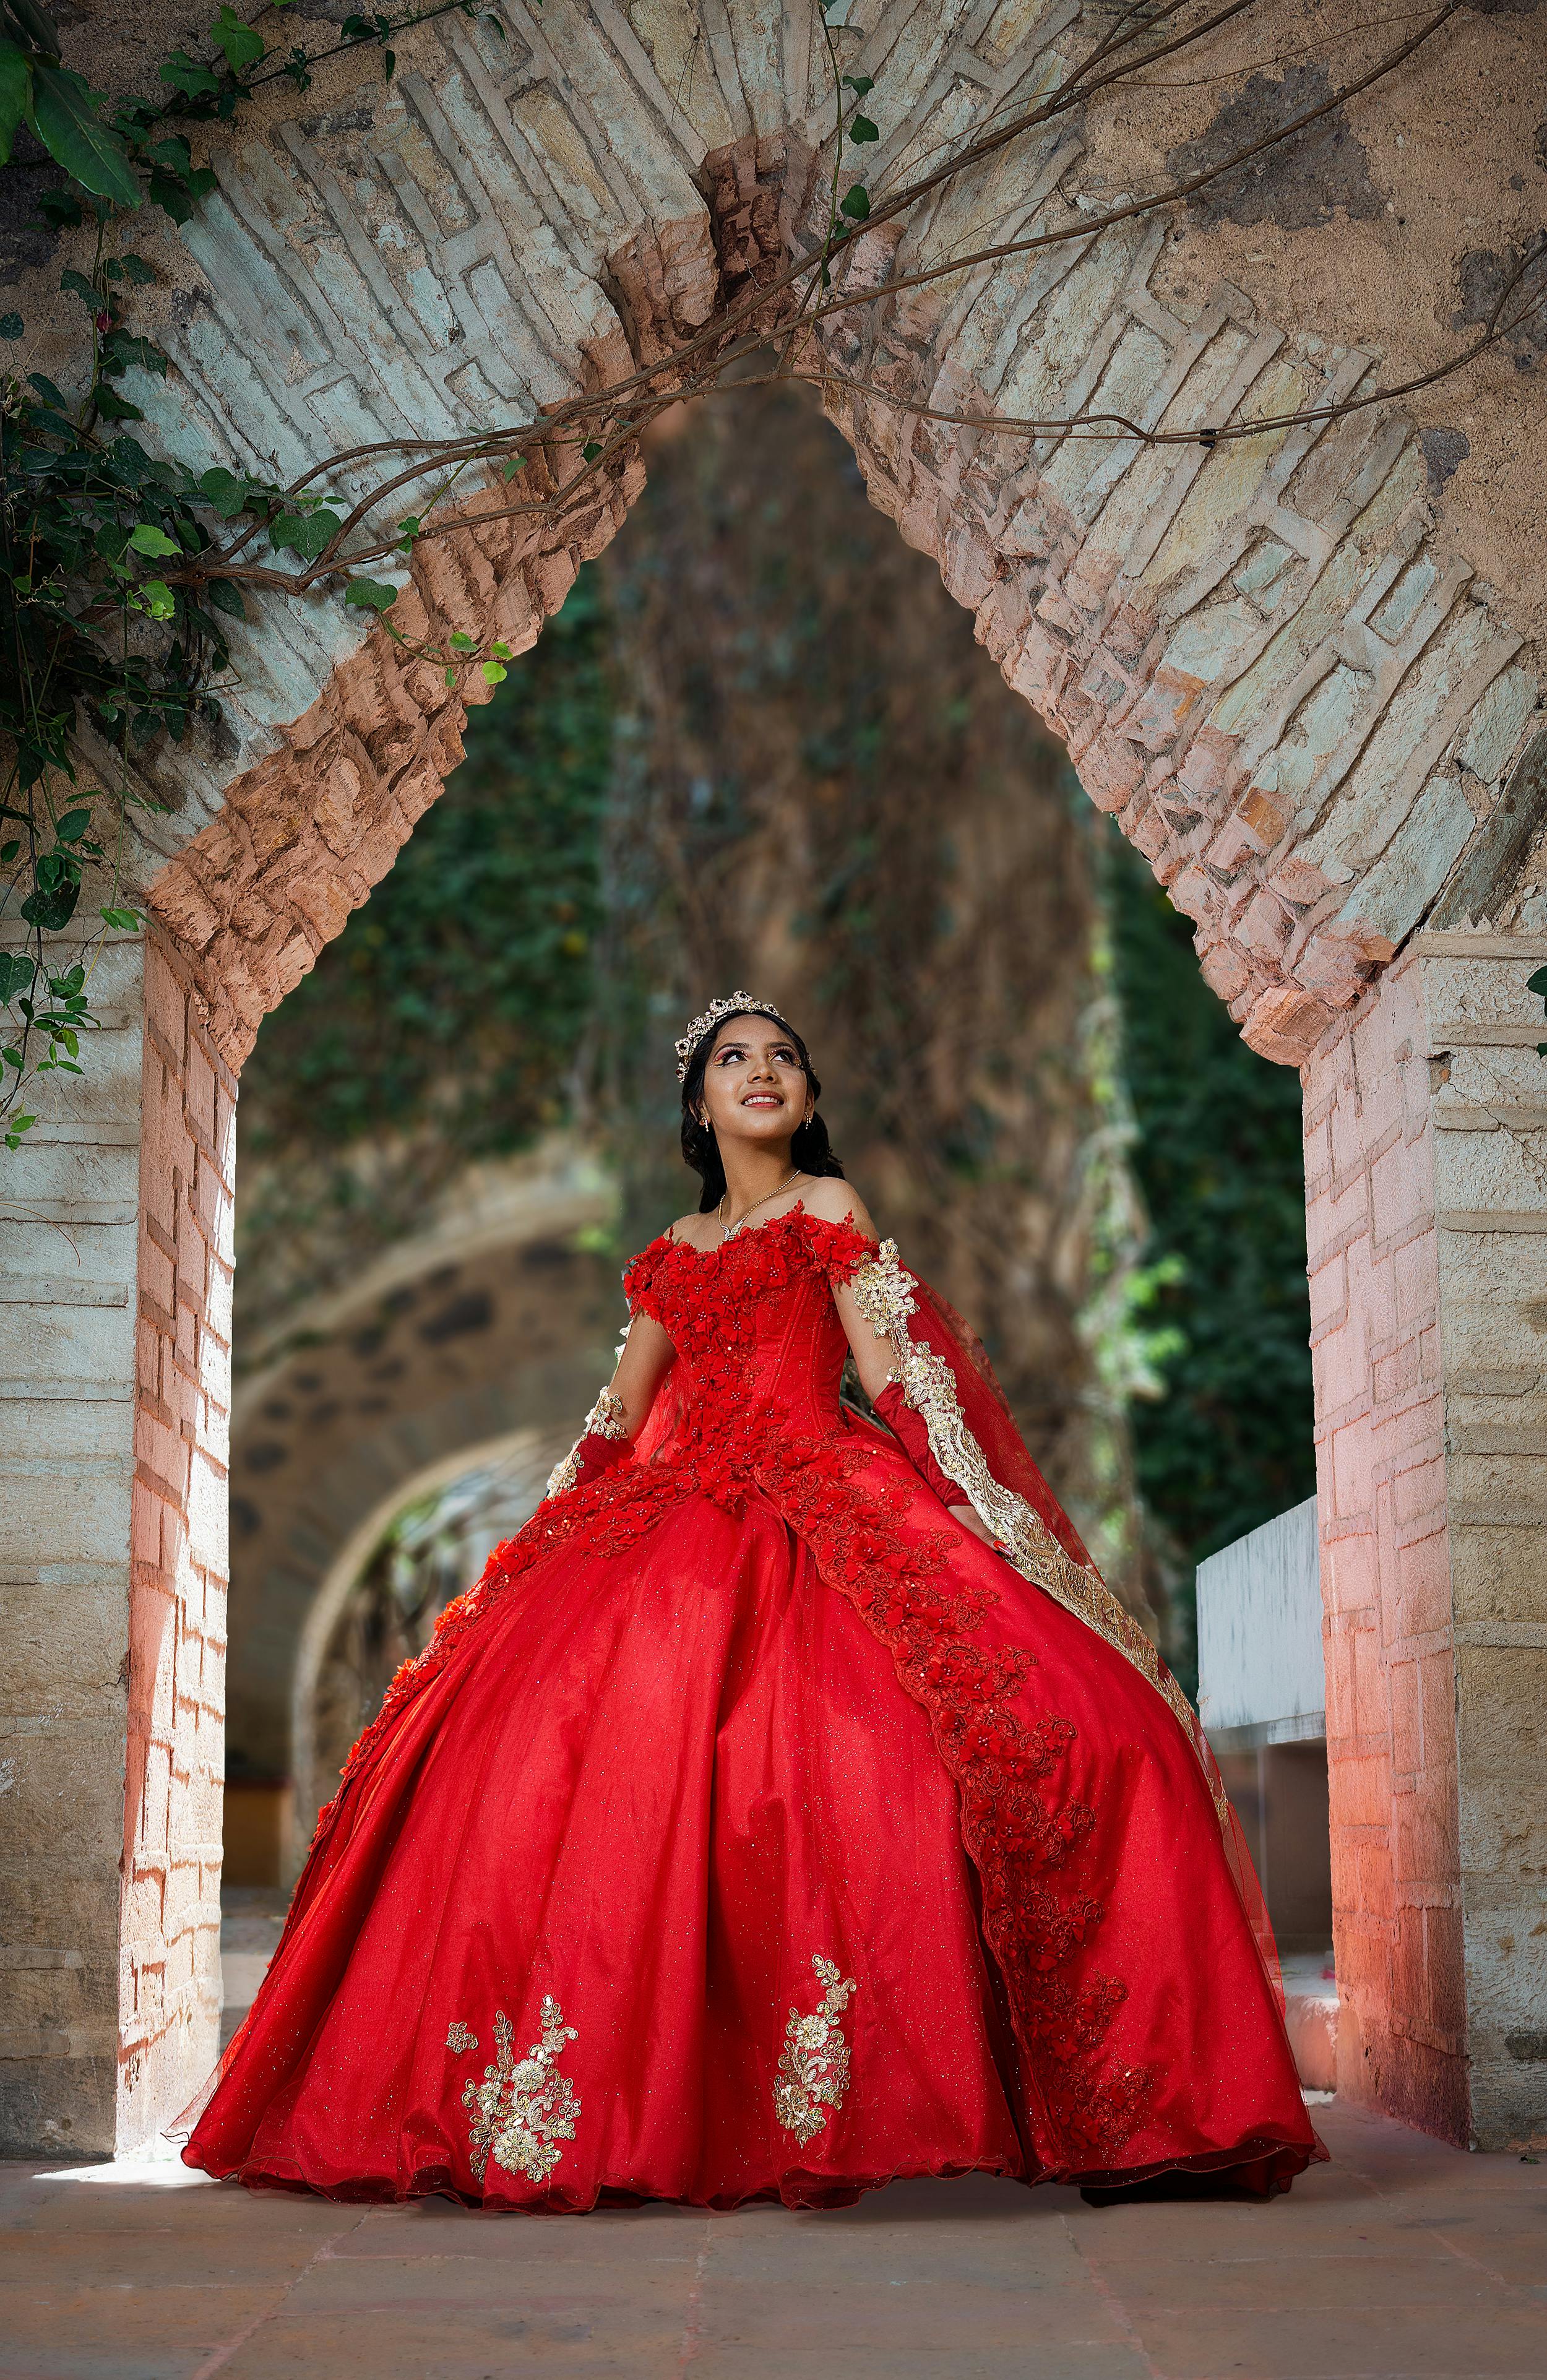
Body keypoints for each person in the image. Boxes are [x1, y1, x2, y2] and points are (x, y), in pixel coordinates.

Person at [183, 996, 1322, 2209]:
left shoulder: (826, 1211)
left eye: (784, 1058)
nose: (763, 1071)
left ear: (809, 1100)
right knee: (530, 1753)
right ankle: (614, 2113)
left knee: (1057, 1739)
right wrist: (540, 1550)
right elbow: (618, 1417)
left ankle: (1128, 2114)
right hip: (668, 1521)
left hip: (821, 1494)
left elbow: (896, 1376)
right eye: (735, 1059)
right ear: (699, 1104)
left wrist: (986, 1521)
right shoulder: (671, 1252)